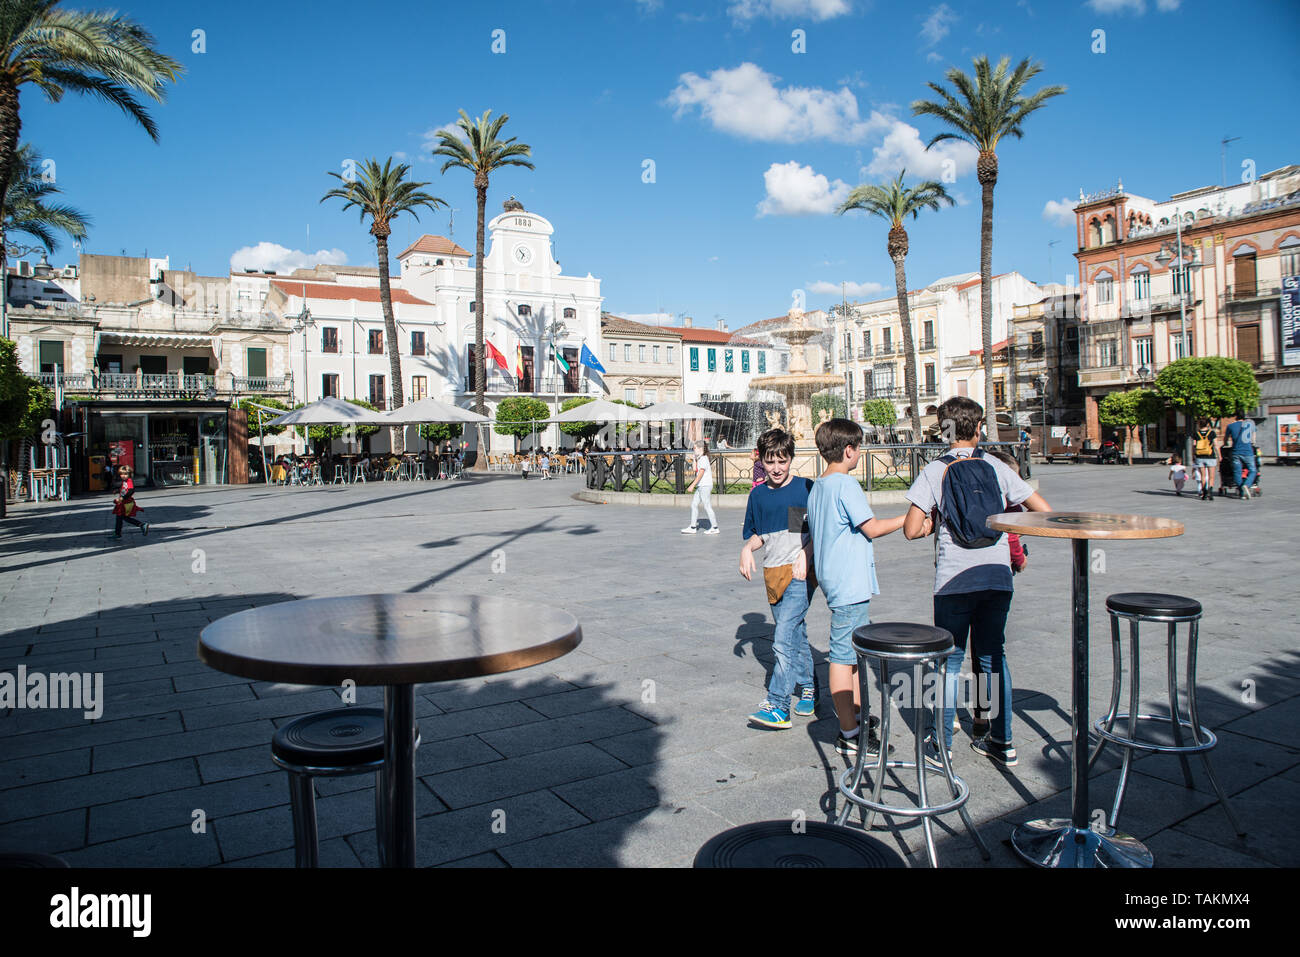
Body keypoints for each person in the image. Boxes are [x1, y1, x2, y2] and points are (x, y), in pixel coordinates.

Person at [903, 396, 1051, 767]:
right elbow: (1044, 511)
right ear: (980, 427)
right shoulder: (998, 467)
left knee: (950, 661)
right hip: (997, 576)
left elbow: (909, 530)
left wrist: (935, 523)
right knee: (992, 656)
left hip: (954, 578)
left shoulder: (934, 471)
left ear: (943, 429)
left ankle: (942, 745)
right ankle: (1001, 740)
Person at [807, 418, 907, 756]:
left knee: (850, 655)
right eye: (859, 447)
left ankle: (858, 718)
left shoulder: (818, 486)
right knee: (841, 658)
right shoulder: (846, 486)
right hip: (849, 582)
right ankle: (849, 734)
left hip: (835, 580)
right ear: (849, 450)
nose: (861, 453)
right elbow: (873, 527)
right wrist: (911, 518)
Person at [740, 428, 818, 729]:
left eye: (782, 461)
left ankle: (778, 705)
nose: (776, 468)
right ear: (762, 460)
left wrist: (806, 554)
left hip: (800, 574)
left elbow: (809, 532)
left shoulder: (804, 489)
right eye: (771, 461)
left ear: (791, 460)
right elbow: (761, 534)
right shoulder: (758, 495)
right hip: (773, 575)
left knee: (783, 639)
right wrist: (747, 548)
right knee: (796, 636)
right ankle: (810, 687)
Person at [682, 440, 720, 534]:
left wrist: (692, 485)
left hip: (705, 485)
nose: (693, 450)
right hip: (702, 486)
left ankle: (715, 528)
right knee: (694, 505)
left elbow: (700, 474)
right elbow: (695, 470)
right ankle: (693, 527)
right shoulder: (700, 458)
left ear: (700, 448)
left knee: (707, 506)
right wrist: (694, 459)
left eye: (694, 448)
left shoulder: (703, 459)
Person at [1225, 410, 1258, 501]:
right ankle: (1246, 485)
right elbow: (1253, 440)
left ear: (1236, 416)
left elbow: (1225, 440)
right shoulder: (1250, 424)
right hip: (1248, 452)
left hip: (1236, 452)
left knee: (1237, 472)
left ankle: (1242, 493)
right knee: (1253, 470)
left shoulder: (1230, 426)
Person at [111, 465, 148, 539]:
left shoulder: (129, 481)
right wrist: (117, 491)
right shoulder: (125, 481)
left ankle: (118, 533)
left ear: (129, 474)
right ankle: (141, 525)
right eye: (121, 474)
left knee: (120, 517)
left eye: (125, 474)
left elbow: (131, 490)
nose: (123, 476)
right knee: (122, 517)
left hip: (125, 502)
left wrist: (123, 498)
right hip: (123, 502)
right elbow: (124, 489)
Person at [1192, 418, 1218, 501]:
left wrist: (1193, 455)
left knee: (1203, 476)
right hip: (1210, 456)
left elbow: (1194, 445)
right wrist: (1219, 455)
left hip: (1199, 456)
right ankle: (1210, 492)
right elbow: (1216, 445)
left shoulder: (1196, 433)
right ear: (1207, 424)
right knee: (1211, 476)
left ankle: (1204, 492)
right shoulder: (1212, 433)